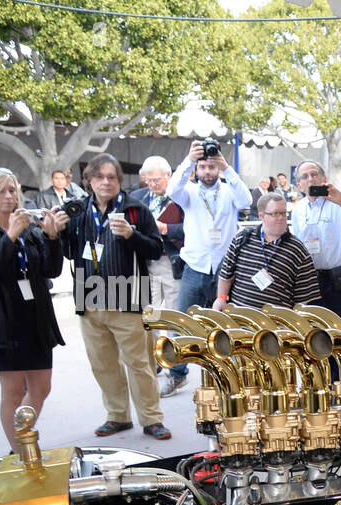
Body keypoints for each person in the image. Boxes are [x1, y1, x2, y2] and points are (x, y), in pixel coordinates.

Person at [61, 153, 170, 440]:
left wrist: (132, 235)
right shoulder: (78, 210)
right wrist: (54, 233)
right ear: (89, 181)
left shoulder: (136, 210)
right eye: (100, 177)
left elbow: (156, 250)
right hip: (90, 296)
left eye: (111, 177)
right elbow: (70, 251)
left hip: (127, 295)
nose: (106, 182)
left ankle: (151, 419)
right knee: (103, 364)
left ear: (120, 180)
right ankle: (117, 416)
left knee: (139, 363)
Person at [0, 169, 67, 452]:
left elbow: (51, 270)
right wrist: (10, 236)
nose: (9, 197)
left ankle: (22, 437)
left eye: (12, 190)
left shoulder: (29, 225)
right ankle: (20, 450)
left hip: (37, 314)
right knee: (13, 390)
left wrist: (53, 237)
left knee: (42, 387)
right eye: (1, 191)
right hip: (3, 316)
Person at [166, 140, 252, 395]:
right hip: (195, 267)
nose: (207, 171)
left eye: (211, 167)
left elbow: (246, 199)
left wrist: (227, 168)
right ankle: (178, 374)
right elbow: (172, 190)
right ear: (196, 169)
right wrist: (188, 161)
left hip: (225, 270)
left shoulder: (228, 190)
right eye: (202, 167)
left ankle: (230, 375)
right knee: (183, 322)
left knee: (228, 323)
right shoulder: (189, 192)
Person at [291, 160, 341, 325]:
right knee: (315, 333)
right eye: (305, 177)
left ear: (324, 178)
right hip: (311, 280)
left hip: (340, 279)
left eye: (314, 174)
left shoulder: (340, 201)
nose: (311, 179)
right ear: (299, 185)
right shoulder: (298, 210)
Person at [214, 192, 320, 311]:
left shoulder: (298, 250)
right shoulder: (242, 239)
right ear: (261, 215)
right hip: (238, 320)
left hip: (276, 325)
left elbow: (303, 299)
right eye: (275, 213)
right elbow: (226, 275)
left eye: (283, 213)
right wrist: (221, 298)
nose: (281, 217)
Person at [129, 156, 185, 312]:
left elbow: (192, 229)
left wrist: (165, 228)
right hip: (145, 260)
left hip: (170, 259)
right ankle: (153, 338)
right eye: (149, 181)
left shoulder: (182, 197)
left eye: (157, 180)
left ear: (168, 175)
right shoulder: (136, 197)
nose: (153, 184)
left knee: (173, 310)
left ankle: (171, 338)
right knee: (149, 312)